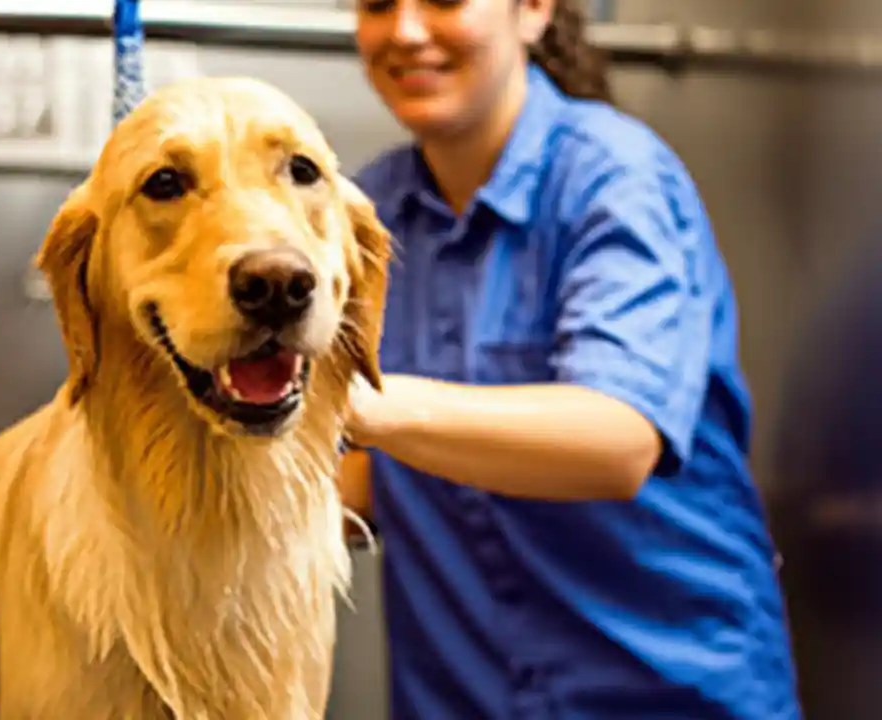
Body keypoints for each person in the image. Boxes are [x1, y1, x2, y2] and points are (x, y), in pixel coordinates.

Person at [337, 1, 803, 718]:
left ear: (531, 10)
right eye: (376, 4)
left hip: (667, 696)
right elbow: (369, 482)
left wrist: (364, 406)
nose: (404, 30)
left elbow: (616, 441)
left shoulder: (615, 180)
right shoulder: (370, 213)